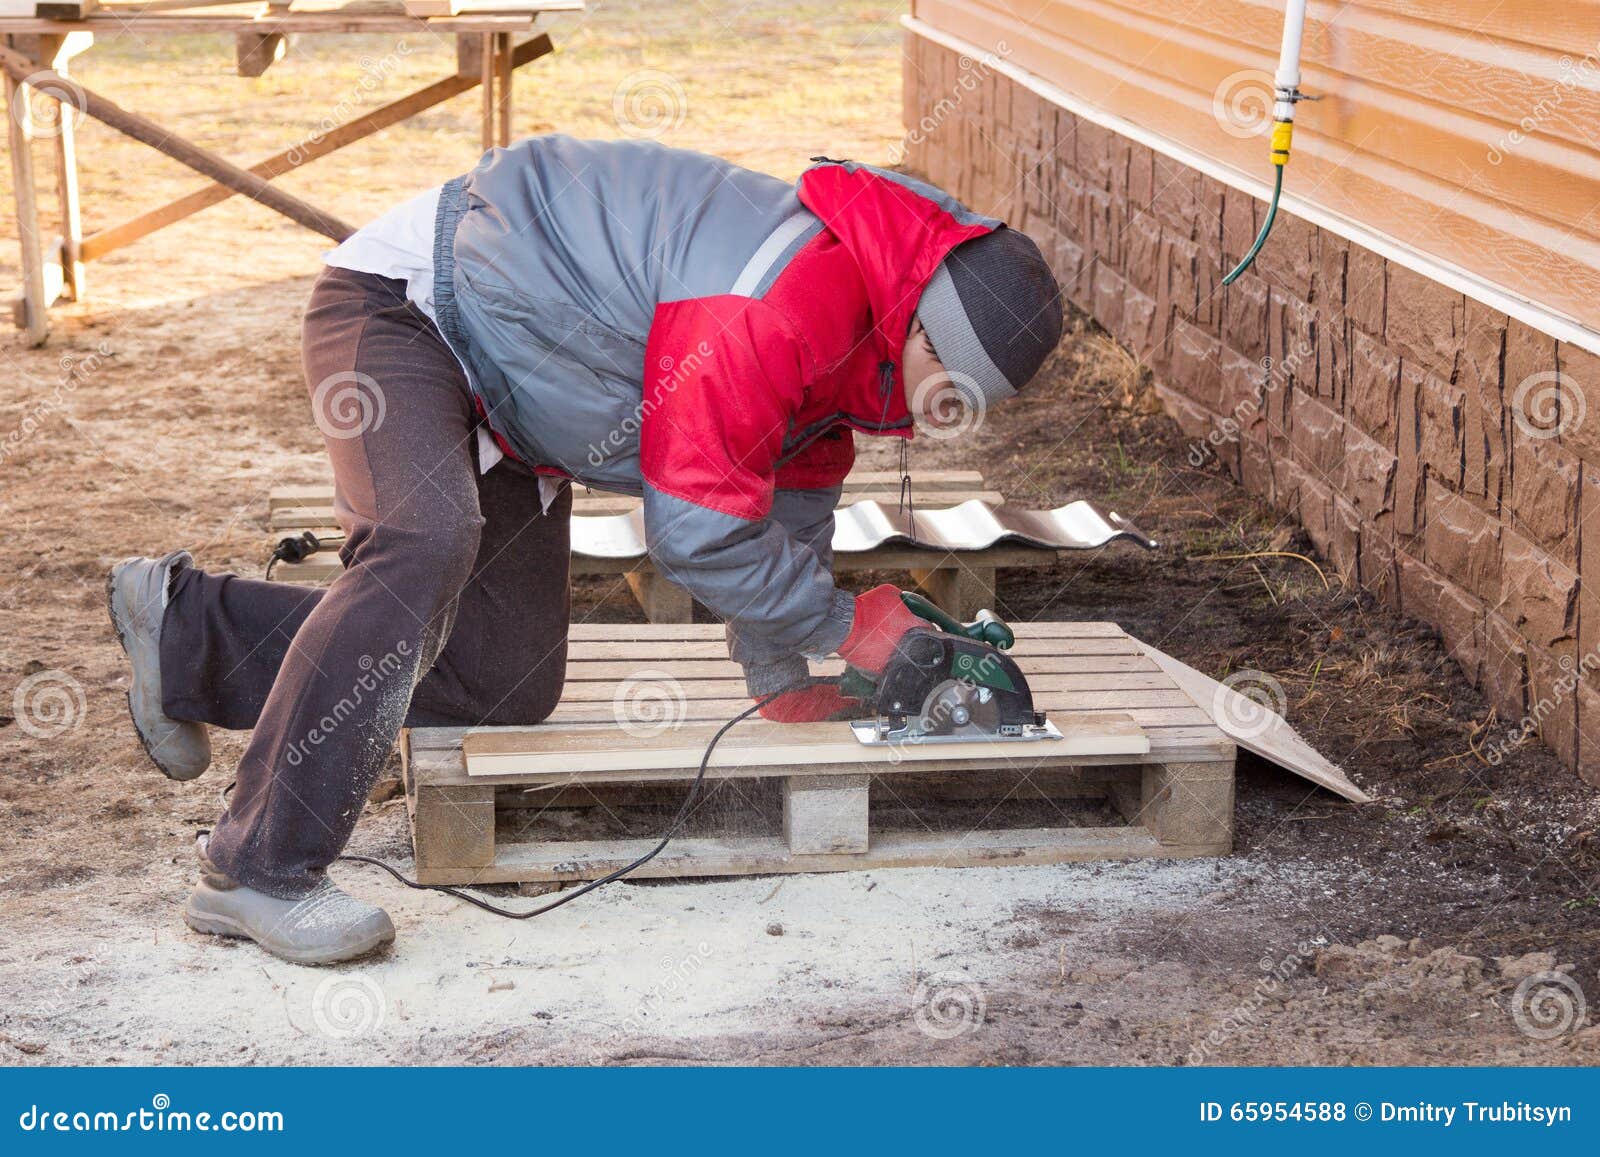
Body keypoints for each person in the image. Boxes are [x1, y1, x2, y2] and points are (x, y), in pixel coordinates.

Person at [106, 136, 1064, 964]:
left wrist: (780, 672)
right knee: (423, 542)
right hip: (410, 311)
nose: (950, 408)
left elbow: (779, 519)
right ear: (921, 319)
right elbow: (695, 532)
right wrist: (852, 626)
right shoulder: (773, 306)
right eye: (949, 377)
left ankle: (187, 631)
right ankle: (259, 868)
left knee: (503, 680)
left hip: (515, 400)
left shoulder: (857, 355)